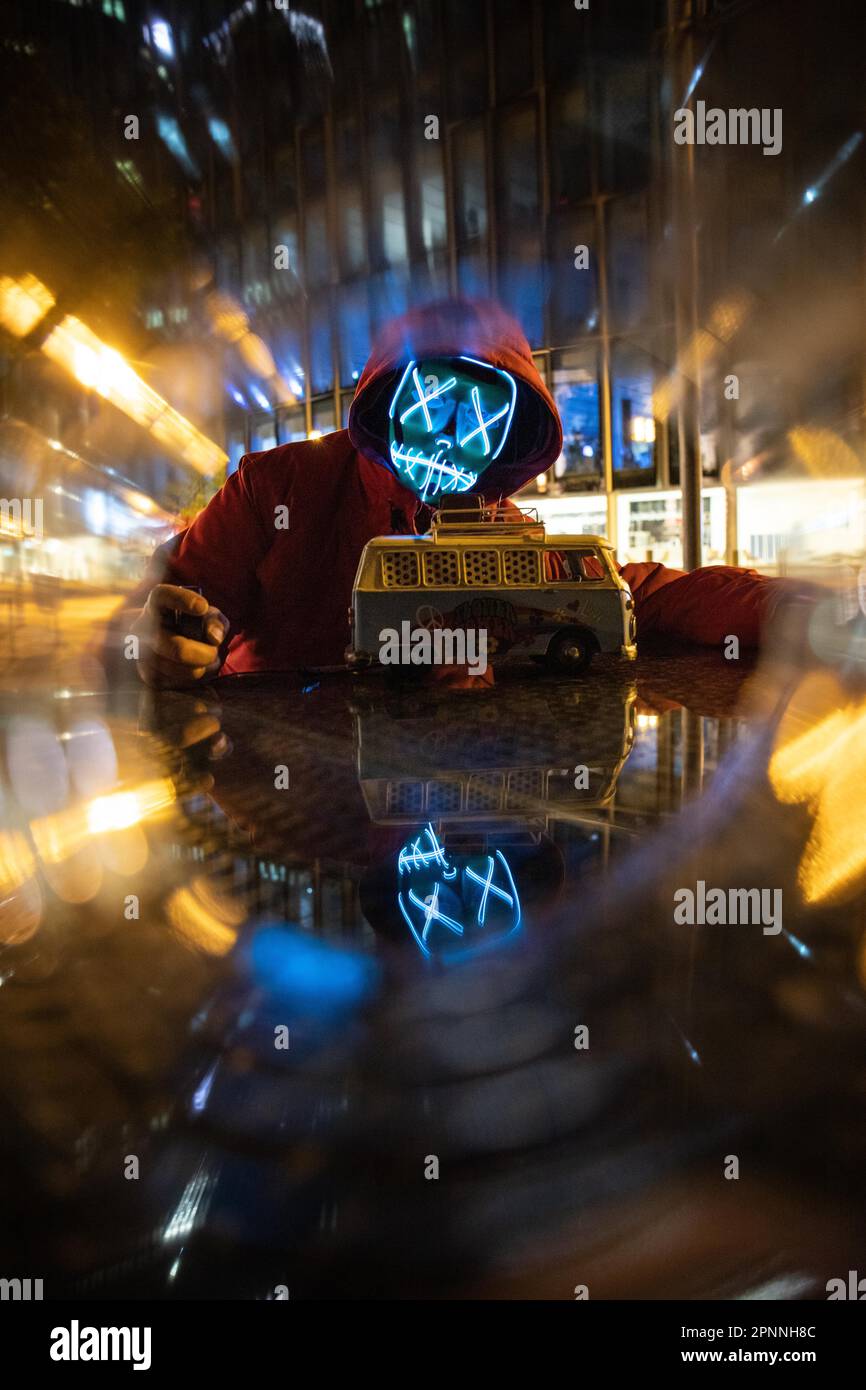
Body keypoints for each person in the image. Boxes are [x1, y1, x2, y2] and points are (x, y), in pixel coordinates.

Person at [120, 298, 815, 688]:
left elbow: (638, 591)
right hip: (289, 786)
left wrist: (795, 610)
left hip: (439, 797)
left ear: (511, 437)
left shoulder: (496, 528)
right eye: (433, 406)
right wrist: (158, 637)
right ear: (388, 397)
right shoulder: (274, 488)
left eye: (480, 420)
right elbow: (170, 605)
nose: (452, 440)